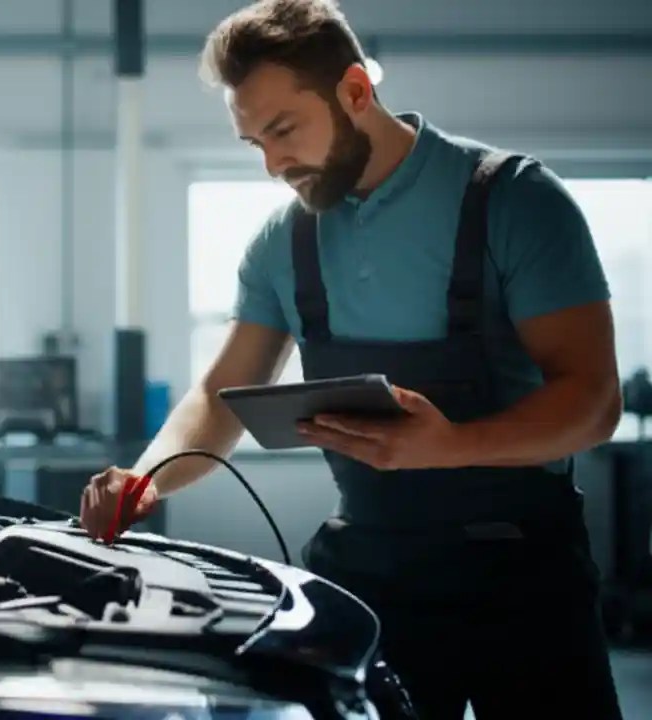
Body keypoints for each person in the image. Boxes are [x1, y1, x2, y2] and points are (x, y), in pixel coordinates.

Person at [77, 1, 626, 717]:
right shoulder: (283, 242)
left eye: (283, 130)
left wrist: (453, 446)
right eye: (255, 144)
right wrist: (147, 481)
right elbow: (220, 394)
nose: (274, 165)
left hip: (524, 574)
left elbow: (592, 400)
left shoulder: (517, 202)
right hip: (373, 572)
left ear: (356, 92)